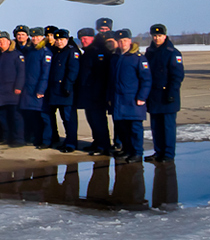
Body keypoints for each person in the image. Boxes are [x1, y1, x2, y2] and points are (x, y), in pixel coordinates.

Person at [109, 28, 152, 162]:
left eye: (125, 40)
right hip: (118, 99)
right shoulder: (115, 58)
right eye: (120, 41)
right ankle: (127, 150)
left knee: (135, 128)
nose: (122, 43)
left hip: (133, 100)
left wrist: (142, 97)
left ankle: (137, 152)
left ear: (130, 41)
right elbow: (110, 80)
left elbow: (146, 79)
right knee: (122, 128)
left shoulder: (138, 58)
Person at [145, 23, 185, 164]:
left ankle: (168, 154)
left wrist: (171, 92)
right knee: (156, 127)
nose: (157, 38)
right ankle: (158, 151)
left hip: (167, 96)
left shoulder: (172, 53)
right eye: (155, 36)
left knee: (168, 127)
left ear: (165, 36)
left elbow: (177, 76)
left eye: (159, 36)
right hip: (154, 96)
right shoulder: (149, 52)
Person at [75, 27, 112, 156]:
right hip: (88, 94)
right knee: (91, 120)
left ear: (92, 38)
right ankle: (97, 142)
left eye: (85, 38)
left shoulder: (98, 52)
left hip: (97, 94)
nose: (83, 41)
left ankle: (103, 145)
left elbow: (101, 76)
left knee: (99, 121)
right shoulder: (88, 52)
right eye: (81, 39)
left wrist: (98, 93)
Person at [43, 29, 80, 152]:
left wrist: (67, 86)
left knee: (69, 119)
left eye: (62, 39)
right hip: (55, 91)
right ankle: (63, 141)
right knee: (60, 118)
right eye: (57, 40)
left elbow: (73, 70)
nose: (59, 42)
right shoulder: (57, 52)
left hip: (66, 92)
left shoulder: (72, 51)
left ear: (67, 39)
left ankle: (71, 143)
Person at [0, 31, 25, 146]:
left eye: (4, 40)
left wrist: (18, 87)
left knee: (15, 117)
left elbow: (21, 73)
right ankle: (5, 137)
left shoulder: (16, 55)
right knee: (2, 117)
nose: (2, 43)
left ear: (9, 42)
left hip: (12, 91)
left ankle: (18, 139)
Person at [16, 26, 51, 146]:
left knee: (42, 117)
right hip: (28, 88)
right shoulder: (30, 51)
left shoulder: (45, 52)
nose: (35, 39)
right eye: (33, 36)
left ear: (42, 37)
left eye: (37, 36)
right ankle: (33, 138)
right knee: (30, 115)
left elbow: (45, 73)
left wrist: (41, 89)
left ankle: (45, 140)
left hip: (37, 89)